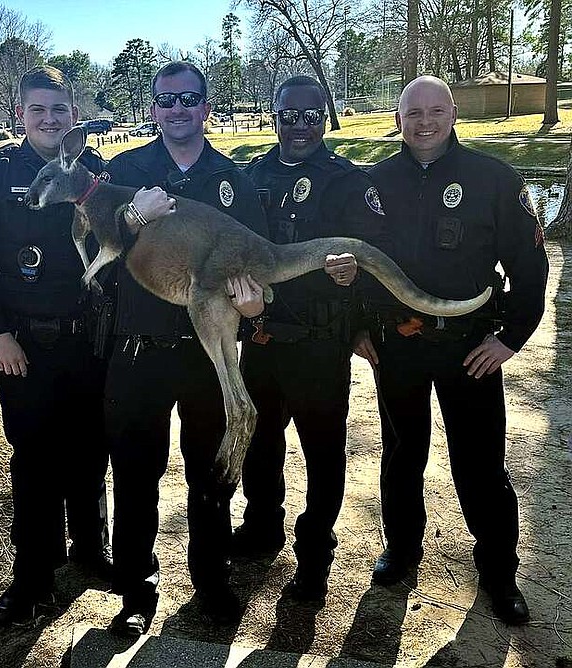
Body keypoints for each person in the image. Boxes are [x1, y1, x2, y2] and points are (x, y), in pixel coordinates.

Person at [0, 65, 169, 626]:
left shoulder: (96, 172)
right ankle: (33, 575)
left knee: (91, 452)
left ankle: (90, 550)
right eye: (38, 110)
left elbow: (124, 246)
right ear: (19, 114)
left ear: (73, 115)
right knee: (34, 460)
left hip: (92, 339)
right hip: (24, 343)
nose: (49, 120)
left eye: (59, 110)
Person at [356, 75, 549, 625]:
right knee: (401, 454)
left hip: (470, 348)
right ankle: (402, 549)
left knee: (481, 463)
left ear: (453, 114)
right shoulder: (374, 184)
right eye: (413, 113)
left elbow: (530, 267)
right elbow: (356, 263)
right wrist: (357, 329)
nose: (424, 123)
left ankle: (499, 571)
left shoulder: (494, 179)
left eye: (435, 111)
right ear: (398, 119)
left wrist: (510, 339)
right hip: (398, 345)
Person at [99, 61, 267, 638]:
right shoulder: (125, 172)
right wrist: (130, 218)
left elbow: (258, 262)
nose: (178, 109)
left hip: (206, 356)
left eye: (189, 99)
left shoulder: (233, 179)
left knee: (211, 474)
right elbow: (95, 253)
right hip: (137, 349)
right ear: (153, 108)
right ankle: (135, 590)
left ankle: (212, 579)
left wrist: (255, 305)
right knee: (135, 475)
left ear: (205, 106)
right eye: (167, 100)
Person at [227, 75, 389, 603]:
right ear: (273, 116)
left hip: (321, 343)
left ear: (325, 117)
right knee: (259, 441)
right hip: (261, 338)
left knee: (322, 452)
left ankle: (315, 555)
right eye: (289, 114)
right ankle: (261, 528)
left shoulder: (348, 182)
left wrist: (356, 291)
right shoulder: (250, 178)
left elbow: (378, 260)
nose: (300, 125)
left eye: (311, 115)